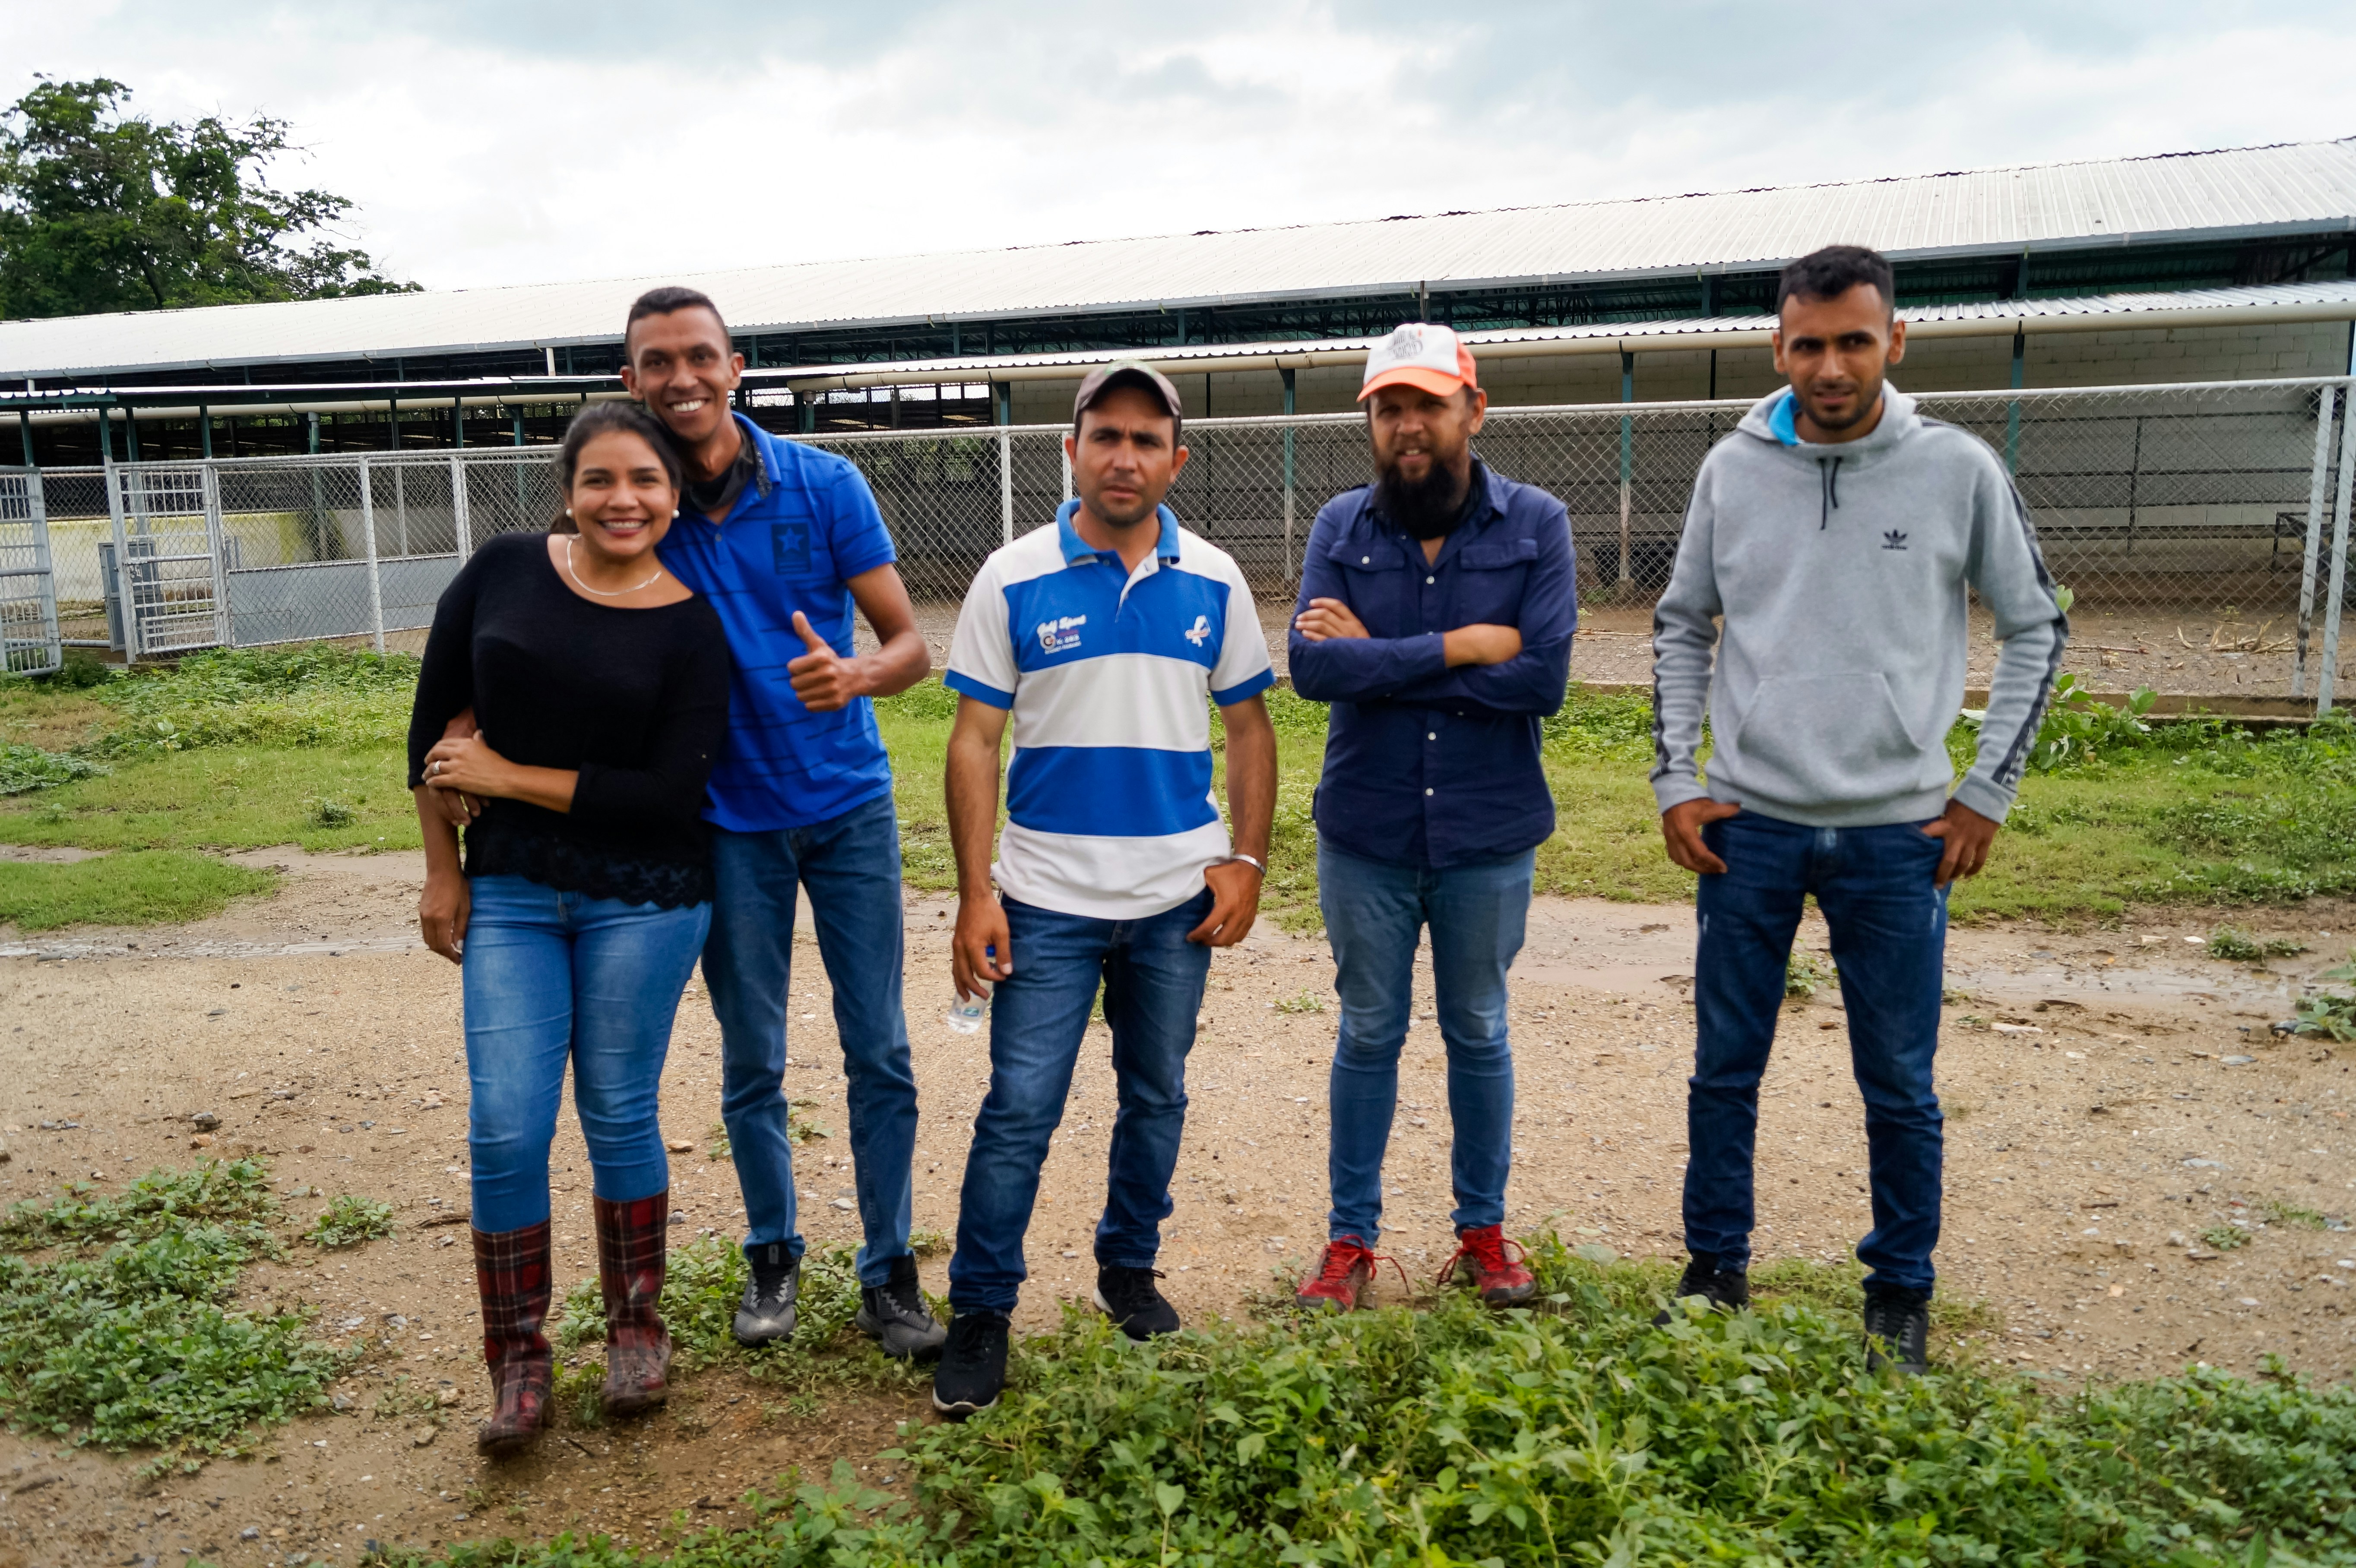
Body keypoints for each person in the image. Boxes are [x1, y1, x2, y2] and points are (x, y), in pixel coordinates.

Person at [1649, 244, 2067, 1374]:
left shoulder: (1958, 470)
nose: (1829, 366)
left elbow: (2039, 624)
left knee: (1897, 1077)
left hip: (1899, 835)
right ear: (1778, 348)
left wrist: (1987, 791)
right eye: (1806, 345)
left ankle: (1900, 1293)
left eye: (1852, 341)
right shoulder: (1730, 472)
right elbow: (1682, 622)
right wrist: (1677, 778)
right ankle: (1713, 1269)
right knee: (1725, 1063)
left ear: (1895, 342)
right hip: (1751, 825)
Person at [929, 361, 1277, 1419]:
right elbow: (974, 740)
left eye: (1145, 438)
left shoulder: (1214, 579)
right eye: (1104, 435)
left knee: (1156, 1093)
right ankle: (982, 1311)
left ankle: (1128, 1274)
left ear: (1177, 457)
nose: (1123, 455)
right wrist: (975, 890)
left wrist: (1247, 861)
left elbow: (1251, 729)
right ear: (1069, 450)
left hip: (1177, 898)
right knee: (1019, 1110)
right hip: (1043, 897)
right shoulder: (1011, 575)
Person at [621, 286, 945, 1359]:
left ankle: (889, 1270)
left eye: (699, 356)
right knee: (751, 1056)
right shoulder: (638, 506)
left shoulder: (825, 482)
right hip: (726, 823)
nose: (682, 379)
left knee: (881, 1049)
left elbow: (911, 647)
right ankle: (773, 1254)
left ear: (735, 366)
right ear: (632, 381)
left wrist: (854, 671)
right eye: (658, 362)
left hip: (846, 807)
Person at [408, 401, 732, 1456]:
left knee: (617, 1108)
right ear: (567, 490)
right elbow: (432, 729)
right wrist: (441, 872)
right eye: (600, 479)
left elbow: (668, 794)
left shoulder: (693, 623)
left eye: (644, 480)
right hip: (507, 888)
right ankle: (518, 1365)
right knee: (505, 1123)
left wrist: (507, 776)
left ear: (673, 497)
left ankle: (636, 1331)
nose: (622, 499)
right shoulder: (501, 569)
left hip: (645, 891)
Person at [1286, 323, 1576, 1314]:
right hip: (1364, 832)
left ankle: (1483, 1235)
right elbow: (1315, 670)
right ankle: (1348, 1243)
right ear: (1371, 419)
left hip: (1486, 834)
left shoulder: (1536, 522)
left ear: (1472, 408)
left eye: (1426, 404)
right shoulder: (1340, 528)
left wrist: (1386, 655)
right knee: (1367, 1032)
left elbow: (1542, 679)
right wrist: (1459, 645)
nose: (1407, 425)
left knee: (1478, 1028)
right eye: (1388, 407)